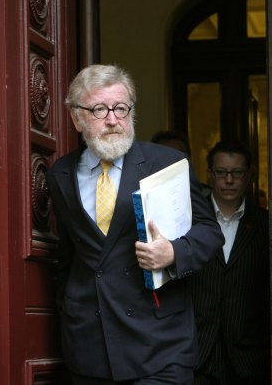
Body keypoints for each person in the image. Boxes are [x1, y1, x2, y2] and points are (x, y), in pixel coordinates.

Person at [45, 64, 224, 384]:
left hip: (158, 343)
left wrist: (173, 253)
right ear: (76, 118)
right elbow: (69, 254)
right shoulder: (60, 175)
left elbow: (209, 232)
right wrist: (68, 306)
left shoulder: (166, 163)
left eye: (121, 108)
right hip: (89, 343)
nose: (113, 119)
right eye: (99, 109)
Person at [190, 140, 270, 384]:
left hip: (249, 356)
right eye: (221, 172)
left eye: (236, 173)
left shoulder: (265, 224)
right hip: (197, 353)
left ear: (249, 175)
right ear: (210, 175)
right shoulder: (186, 220)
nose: (229, 180)